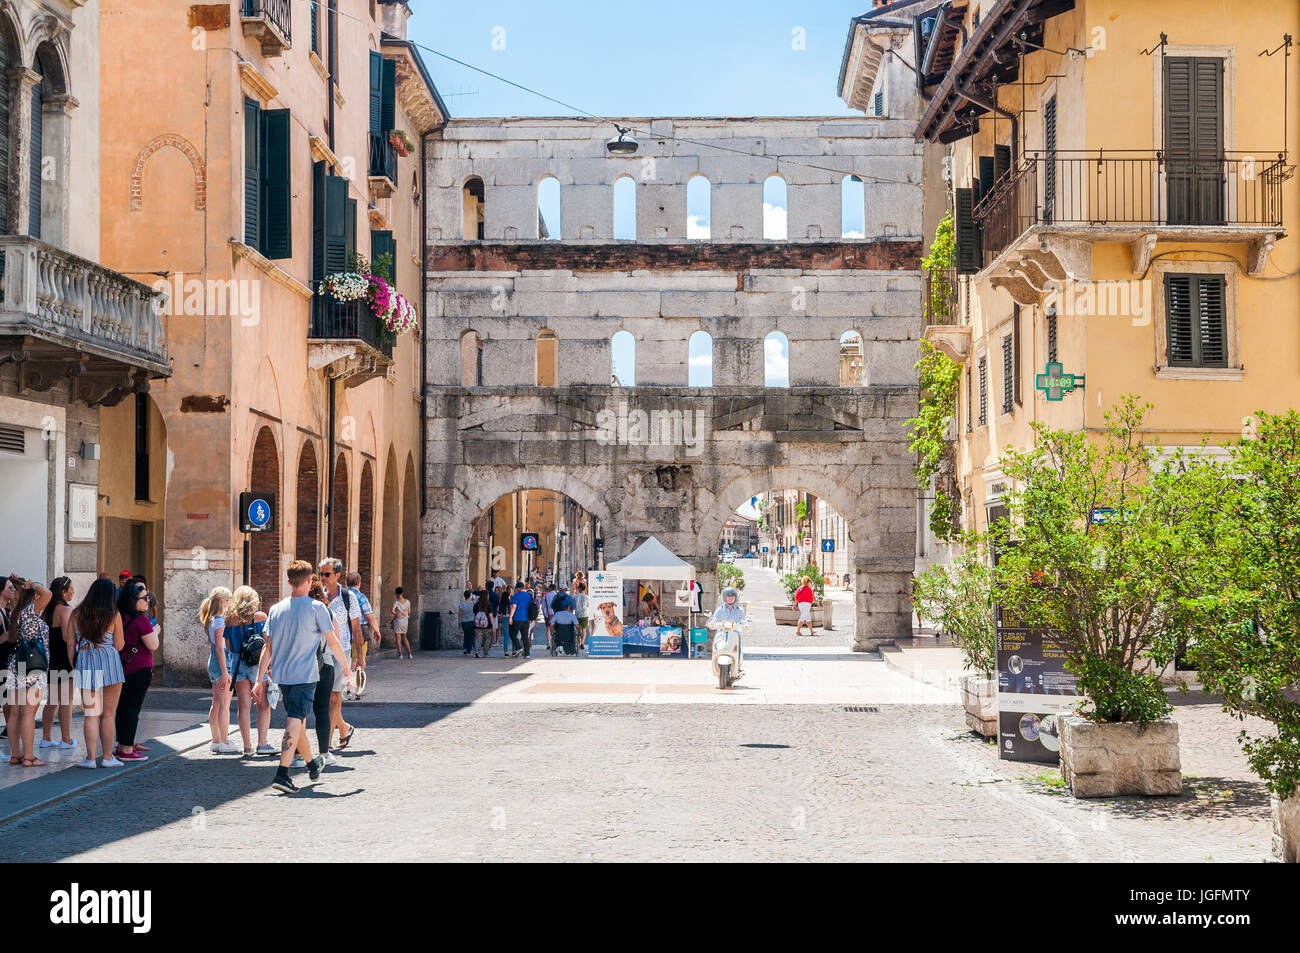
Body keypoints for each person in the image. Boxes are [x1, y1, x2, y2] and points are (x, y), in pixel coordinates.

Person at [255, 559, 351, 794]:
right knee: (294, 721)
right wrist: (347, 670)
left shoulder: (275, 609)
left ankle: (311, 763)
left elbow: (268, 647)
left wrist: (260, 679)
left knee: (296, 720)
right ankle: (282, 773)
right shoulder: (317, 608)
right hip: (305, 675)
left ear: (288, 582)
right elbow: (333, 641)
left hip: (282, 676)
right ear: (309, 581)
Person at [72, 578, 126, 768]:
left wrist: (74, 665)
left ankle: (90, 758)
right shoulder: (114, 615)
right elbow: (119, 645)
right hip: (109, 660)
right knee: (108, 714)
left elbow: (71, 644)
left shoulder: (77, 613)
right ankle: (108, 757)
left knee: (91, 714)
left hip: (86, 660)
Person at [6, 578, 52, 767]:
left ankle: (16, 754)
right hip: (33, 667)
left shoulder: (15, 614)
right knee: (28, 713)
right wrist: (31, 583)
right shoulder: (30, 611)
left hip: (16, 665)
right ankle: (29, 756)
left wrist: (21, 583)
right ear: (33, 596)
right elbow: (48, 594)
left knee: (15, 712)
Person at [224, 586, 274, 757]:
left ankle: (247, 746)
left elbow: (229, 647)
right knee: (263, 705)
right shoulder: (261, 617)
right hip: (257, 665)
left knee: (243, 706)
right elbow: (268, 644)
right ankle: (262, 744)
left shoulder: (230, 620)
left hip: (238, 665)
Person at [114, 581, 159, 761]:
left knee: (123, 709)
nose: (148, 600)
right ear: (134, 600)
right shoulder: (142, 620)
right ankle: (126, 750)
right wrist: (155, 631)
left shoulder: (120, 616)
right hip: (139, 669)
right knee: (132, 710)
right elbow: (153, 645)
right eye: (144, 598)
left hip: (122, 668)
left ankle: (121, 744)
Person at [318, 558, 359, 751]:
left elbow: (357, 628)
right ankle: (344, 728)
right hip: (322, 653)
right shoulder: (319, 596)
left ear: (337, 575)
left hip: (341, 651)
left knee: (334, 697)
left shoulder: (348, 597)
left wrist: (360, 658)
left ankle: (326, 742)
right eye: (321, 574)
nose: (323, 578)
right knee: (327, 698)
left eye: (327, 574)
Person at [199, 586, 239, 754]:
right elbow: (220, 649)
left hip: (213, 663)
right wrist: (225, 672)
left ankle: (216, 740)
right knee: (224, 704)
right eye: (229, 601)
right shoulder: (220, 621)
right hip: (222, 662)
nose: (230, 604)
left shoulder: (211, 620)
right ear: (224, 602)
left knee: (216, 703)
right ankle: (223, 740)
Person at [40, 577, 77, 751]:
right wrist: (73, 663)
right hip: (64, 658)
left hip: (51, 658)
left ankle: (46, 738)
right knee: (66, 702)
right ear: (63, 591)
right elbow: (68, 639)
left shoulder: (47, 610)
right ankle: (66, 739)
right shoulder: (65, 610)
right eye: (71, 588)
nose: (73, 592)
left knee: (52, 701)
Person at [346, 572, 381, 669]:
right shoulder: (361, 597)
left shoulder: (341, 595)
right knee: (357, 659)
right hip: (358, 632)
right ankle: (354, 680)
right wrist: (377, 630)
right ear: (359, 583)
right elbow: (369, 617)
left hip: (343, 632)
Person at [0, 574, 18, 740]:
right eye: (10, 587)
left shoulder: (7, 610)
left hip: (7, 661)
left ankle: (9, 731)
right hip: (1, 661)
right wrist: (5, 636)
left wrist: (19, 581)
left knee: (7, 699)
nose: (13, 590)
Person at [507, 582, 532, 658]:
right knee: (525, 637)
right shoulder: (529, 596)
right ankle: (527, 654)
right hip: (526, 619)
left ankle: (519, 648)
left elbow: (513, 607)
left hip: (517, 618)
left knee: (512, 634)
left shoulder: (516, 596)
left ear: (518, 588)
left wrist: (510, 617)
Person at [390, 586, 412, 659]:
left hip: (398, 621)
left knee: (398, 639)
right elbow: (409, 612)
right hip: (405, 620)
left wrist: (397, 614)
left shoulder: (396, 602)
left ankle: (400, 655)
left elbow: (392, 610)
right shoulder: (408, 602)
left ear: (396, 593)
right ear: (402, 593)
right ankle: (409, 654)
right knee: (405, 638)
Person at [472, 590, 494, 658]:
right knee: (487, 639)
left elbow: (475, 615)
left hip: (477, 625)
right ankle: (485, 653)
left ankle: (477, 651)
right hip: (487, 625)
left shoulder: (476, 605)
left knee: (478, 639)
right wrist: (493, 625)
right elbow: (490, 616)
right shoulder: (488, 604)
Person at [458, 589, 476, 655]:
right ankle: (468, 650)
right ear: (470, 596)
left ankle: (465, 648)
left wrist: (459, 622)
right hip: (471, 621)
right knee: (471, 636)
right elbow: (475, 613)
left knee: (466, 636)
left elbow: (460, 614)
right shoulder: (472, 603)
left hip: (464, 621)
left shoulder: (461, 604)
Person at [573, 582, 590, 652]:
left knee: (579, 630)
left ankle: (580, 642)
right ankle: (582, 643)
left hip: (577, 615)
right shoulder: (587, 597)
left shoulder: (575, 596)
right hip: (585, 615)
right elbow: (588, 605)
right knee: (584, 630)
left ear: (579, 589)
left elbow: (573, 606)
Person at [540, 583, 558, 649]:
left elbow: (543, 606)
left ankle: (549, 644)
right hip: (556, 614)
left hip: (548, 614)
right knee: (556, 629)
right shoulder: (557, 595)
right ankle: (555, 643)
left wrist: (545, 614)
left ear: (550, 588)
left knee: (548, 629)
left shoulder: (546, 595)